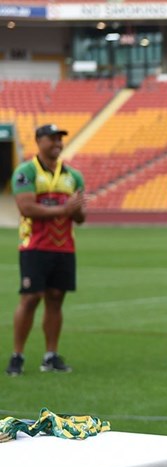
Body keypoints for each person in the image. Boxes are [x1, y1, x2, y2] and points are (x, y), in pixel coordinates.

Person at [5, 124, 87, 376]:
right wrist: (65, 209)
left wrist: (77, 210)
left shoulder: (73, 176)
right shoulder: (26, 172)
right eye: (52, 139)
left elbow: (80, 217)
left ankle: (50, 356)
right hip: (35, 246)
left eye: (60, 139)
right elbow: (27, 208)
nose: (57, 143)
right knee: (30, 299)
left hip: (63, 247)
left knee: (55, 299)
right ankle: (17, 355)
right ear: (38, 141)